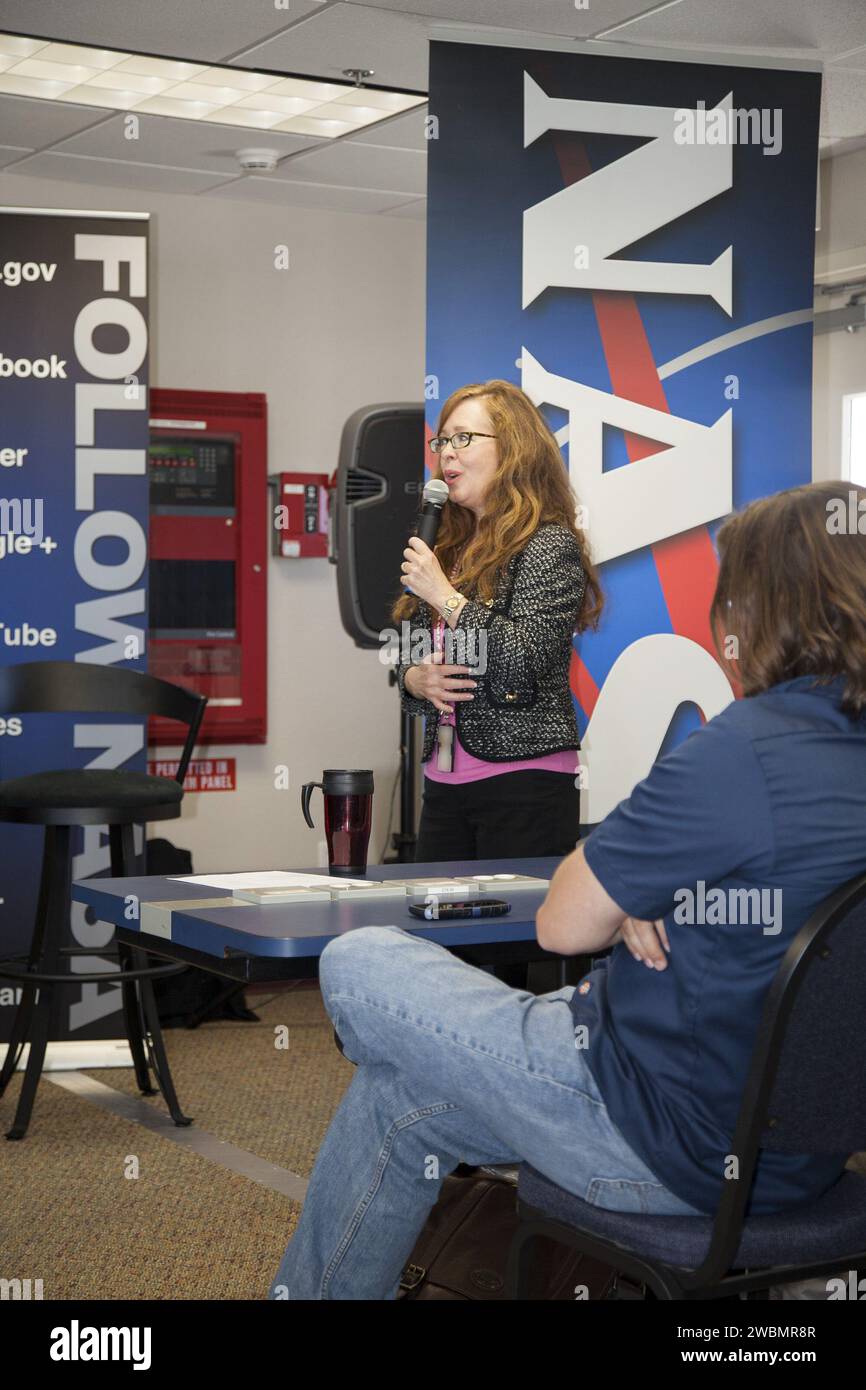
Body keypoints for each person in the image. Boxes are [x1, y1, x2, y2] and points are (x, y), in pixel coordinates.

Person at [270, 480, 866, 1300]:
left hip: (646, 1132)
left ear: (760, 611)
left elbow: (563, 925)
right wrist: (660, 894)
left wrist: (629, 895)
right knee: (398, 1102)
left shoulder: (745, 749)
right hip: (800, 1158)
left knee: (357, 961)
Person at [392, 378, 602, 864]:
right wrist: (414, 678)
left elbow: (523, 659)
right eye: (443, 441)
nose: (447, 452)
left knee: (510, 918)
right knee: (434, 910)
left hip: (524, 782)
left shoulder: (549, 544)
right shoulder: (446, 545)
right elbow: (409, 648)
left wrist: (445, 597)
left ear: (512, 449)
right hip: (443, 780)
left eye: (464, 438)